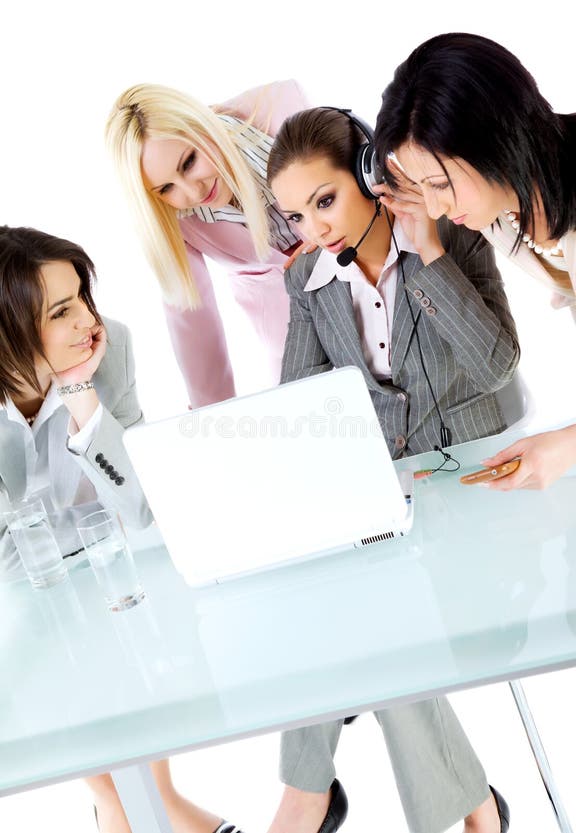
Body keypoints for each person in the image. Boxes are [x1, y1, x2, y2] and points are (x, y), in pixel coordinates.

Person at [265, 108, 515, 833]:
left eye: (325, 200)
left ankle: (309, 800)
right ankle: (468, 813)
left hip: (477, 489)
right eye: (296, 214)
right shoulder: (307, 280)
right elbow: (299, 412)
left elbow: (495, 361)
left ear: (372, 176)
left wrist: (426, 250)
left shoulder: (455, 237)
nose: (316, 228)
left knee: (371, 619)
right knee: (340, 602)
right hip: (391, 505)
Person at [0, 226, 243, 833]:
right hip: (24, 615)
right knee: (67, 665)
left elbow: (138, 509)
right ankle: (146, 810)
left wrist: (81, 397)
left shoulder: (110, 354)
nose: (88, 321)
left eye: (83, 296)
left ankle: (131, 810)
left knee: (128, 631)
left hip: (115, 583)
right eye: (61, 311)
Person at [373, 31, 576, 491]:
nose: (436, 206)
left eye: (440, 186)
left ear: (495, 143)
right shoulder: (500, 204)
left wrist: (568, 443)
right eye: (421, 186)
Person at [105, 80, 308, 409]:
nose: (192, 192)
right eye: (166, 188)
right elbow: (193, 322)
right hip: (294, 348)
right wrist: (214, 419)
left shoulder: (281, 109)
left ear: (201, 126)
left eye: (188, 163)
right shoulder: (175, 218)